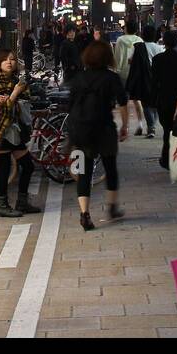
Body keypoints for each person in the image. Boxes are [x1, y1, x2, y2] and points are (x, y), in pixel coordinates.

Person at [65, 39, 130, 230]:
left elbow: (70, 105)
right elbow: (123, 103)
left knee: (84, 172)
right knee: (110, 168)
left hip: (80, 129)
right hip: (104, 128)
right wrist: (124, 126)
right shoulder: (111, 78)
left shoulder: (78, 78)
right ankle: (112, 208)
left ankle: (85, 214)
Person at [0, 49, 40, 218]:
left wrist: (13, 96)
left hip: (14, 131)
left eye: (12, 59)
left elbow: (24, 101)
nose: (9, 62)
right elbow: (5, 109)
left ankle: (21, 202)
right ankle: (2, 205)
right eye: (5, 60)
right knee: (4, 169)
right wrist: (14, 94)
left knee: (28, 166)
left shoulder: (17, 81)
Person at [152, 30, 177, 169]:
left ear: (164, 41)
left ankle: (167, 157)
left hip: (163, 99)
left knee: (167, 129)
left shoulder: (157, 60)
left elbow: (154, 82)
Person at [112, 20, 149, 134]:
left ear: (126, 28)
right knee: (137, 99)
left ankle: (125, 125)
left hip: (123, 73)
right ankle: (140, 124)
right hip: (136, 73)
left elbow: (118, 57)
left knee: (123, 101)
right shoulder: (140, 40)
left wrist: (115, 71)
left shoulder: (120, 40)